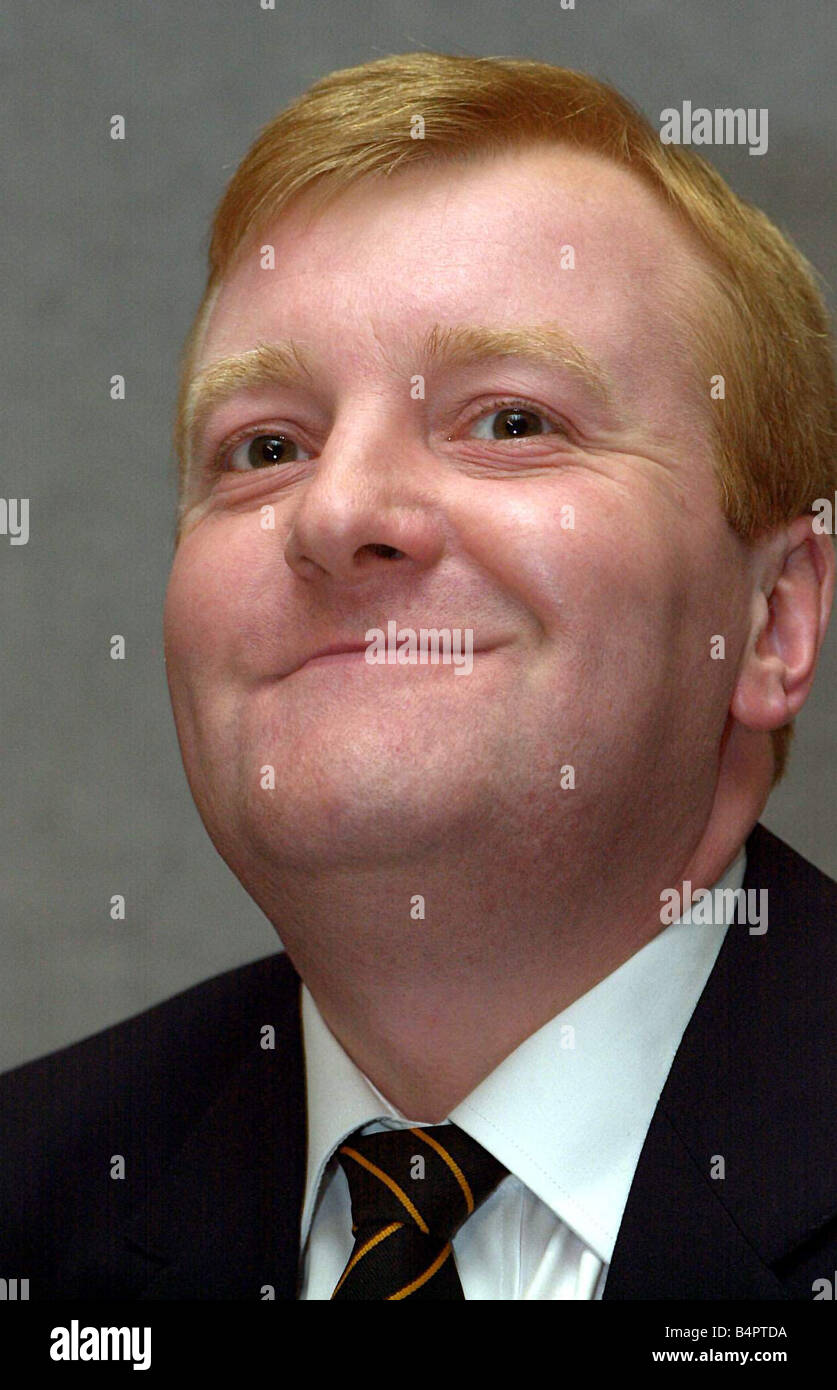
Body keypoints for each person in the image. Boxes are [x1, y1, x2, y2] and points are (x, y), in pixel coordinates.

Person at [2, 51, 836, 1302]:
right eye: (267, 445)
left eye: (511, 421)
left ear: (772, 620)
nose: (336, 512)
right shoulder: (32, 1195)